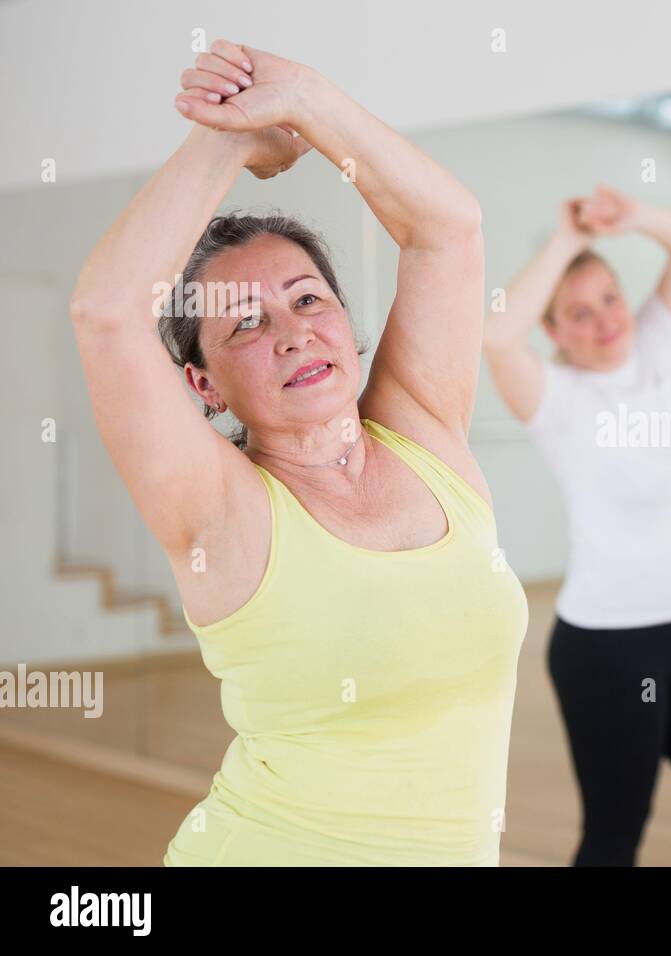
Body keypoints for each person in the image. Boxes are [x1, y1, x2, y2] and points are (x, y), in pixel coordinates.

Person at [70, 40, 528, 865]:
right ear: (203, 387)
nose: (291, 333)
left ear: (342, 321)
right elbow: (107, 312)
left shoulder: (423, 432)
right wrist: (231, 141)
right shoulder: (222, 507)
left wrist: (307, 100)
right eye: (245, 322)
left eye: (306, 298)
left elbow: (446, 231)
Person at [482, 186, 671, 865]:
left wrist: (631, 218)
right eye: (577, 314)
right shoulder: (555, 399)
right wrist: (563, 238)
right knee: (616, 837)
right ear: (552, 332)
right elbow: (497, 334)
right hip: (609, 653)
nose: (603, 320)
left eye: (609, 299)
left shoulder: (658, 351)